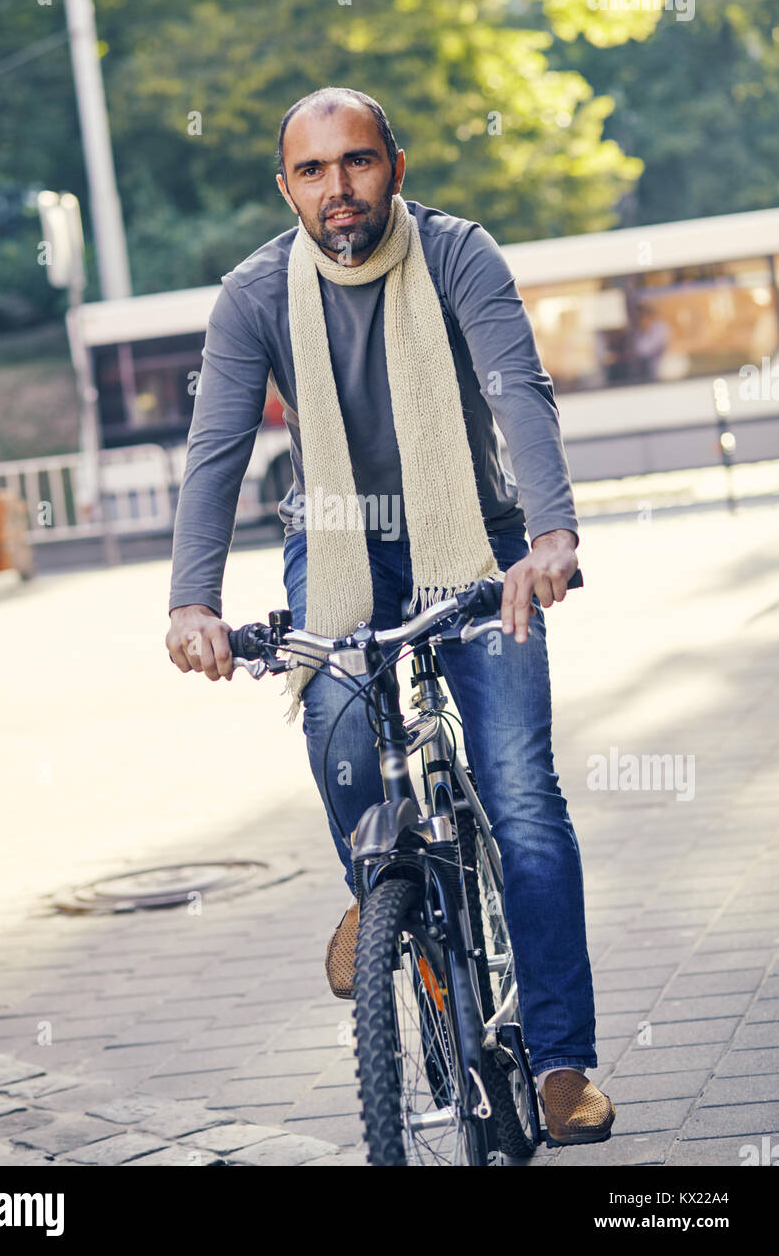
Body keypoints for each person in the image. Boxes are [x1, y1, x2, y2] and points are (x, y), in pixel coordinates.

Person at [166, 86, 615, 1147]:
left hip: (478, 530)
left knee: (518, 791)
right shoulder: (252, 297)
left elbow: (519, 390)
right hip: (331, 539)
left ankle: (558, 1063)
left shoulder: (459, 255)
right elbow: (216, 451)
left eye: (356, 163)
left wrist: (549, 535)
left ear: (394, 168)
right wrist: (193, 598)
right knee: (331, 725)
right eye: (313, 171)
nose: (338, 189)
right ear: (285, 188)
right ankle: (383, 892)